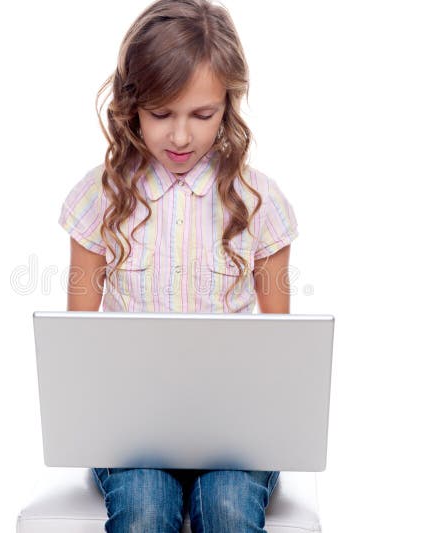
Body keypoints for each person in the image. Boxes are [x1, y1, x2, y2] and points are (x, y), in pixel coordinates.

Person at [57, 1, 299, 531]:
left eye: (202, 115)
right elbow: (78, 347)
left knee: (228, 508)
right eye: (161, 115)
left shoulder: (260, 202)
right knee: (144, 508)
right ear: (132, 107)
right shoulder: (99, 198)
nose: (182, 137)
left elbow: (280, 353)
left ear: (228, 106)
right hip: (130, 431)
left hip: (235, 431)